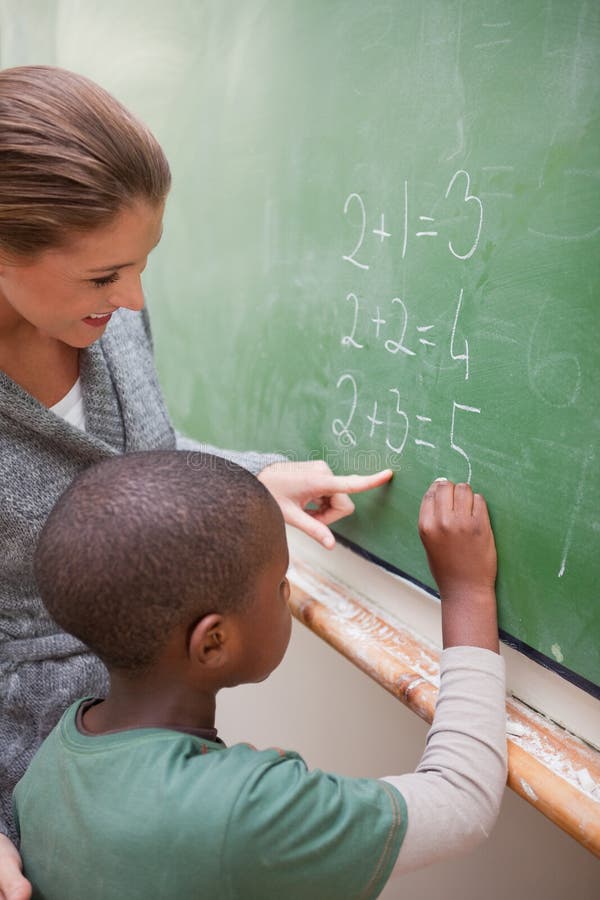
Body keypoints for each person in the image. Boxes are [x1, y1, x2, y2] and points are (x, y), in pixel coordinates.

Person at [0, 64, 392, 895]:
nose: (134, 298)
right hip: (23, 807)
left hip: (149, 769)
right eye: (104, 275)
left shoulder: (103, 316)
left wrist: (252, 477)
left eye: (142, 263)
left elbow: (134, 465)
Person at [13, 451, 507, 899]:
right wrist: (467, 592)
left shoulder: (53, 755)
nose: (287, 593)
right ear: (213, 642)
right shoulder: (244, 811)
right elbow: (461, 802)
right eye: (278, 584)